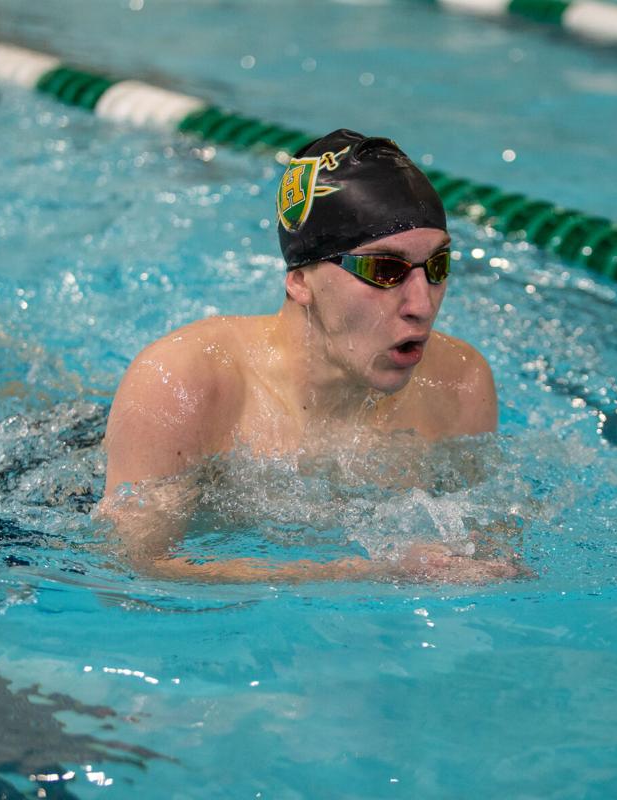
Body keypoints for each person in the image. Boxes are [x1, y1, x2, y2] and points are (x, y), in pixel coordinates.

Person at [100, 129, 522, 584]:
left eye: (437, 267)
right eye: (384, 270)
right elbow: (132, 570)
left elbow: (485, 542)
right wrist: (368, 573)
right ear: (300, 280)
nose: (421, 304)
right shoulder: (184, 383)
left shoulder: (460, 383)